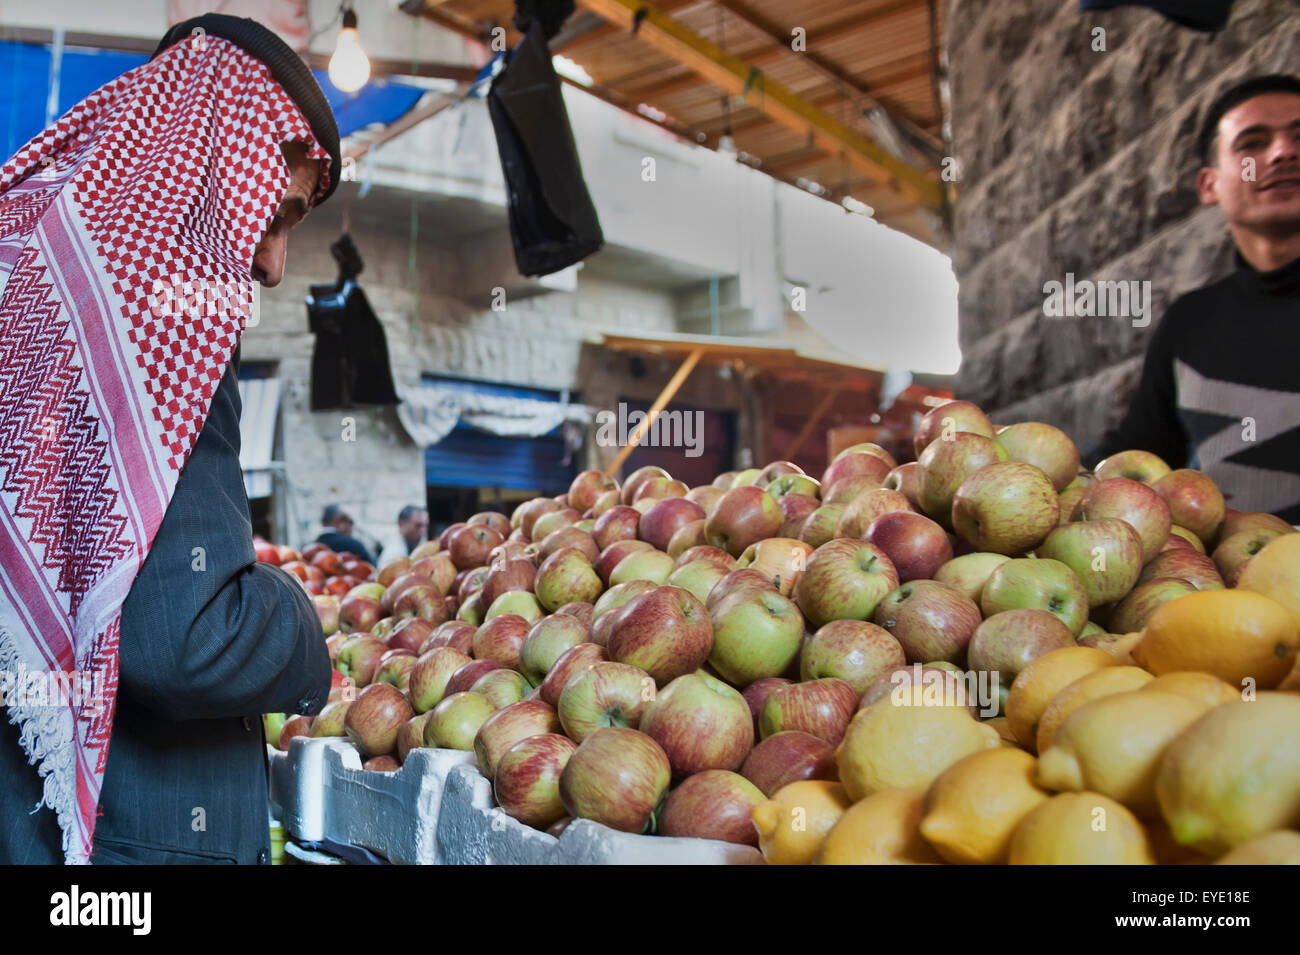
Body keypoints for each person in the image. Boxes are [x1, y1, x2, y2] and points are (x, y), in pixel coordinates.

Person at [0, 15, 339, 865]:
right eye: (280, 209)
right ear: (219, 164)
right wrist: (305, 622)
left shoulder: (33, 280)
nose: (274, 263)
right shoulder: (159, 322)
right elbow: (186, 640)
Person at [1090, 75, 1300, 523]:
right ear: (1210, 185)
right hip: (1234, 586)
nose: (1283, 153)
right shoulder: (1191, 322)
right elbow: (1137, 458)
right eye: (1253, 144)